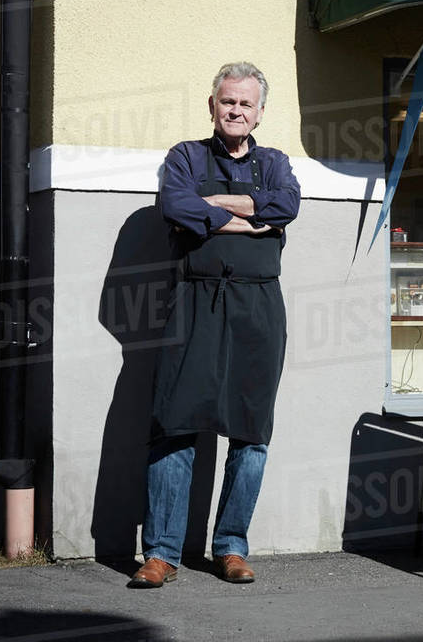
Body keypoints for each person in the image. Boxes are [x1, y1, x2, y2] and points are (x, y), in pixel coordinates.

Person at [130, 62, 300, 589]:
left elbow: (286, 205)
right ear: (212, 105)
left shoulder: (274, 162)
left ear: (260, 112)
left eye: (246, 104)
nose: (236, 111)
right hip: (194, 302)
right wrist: (250, 218)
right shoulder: (184, 156)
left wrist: (214, 206)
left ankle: (230, 546)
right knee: (174, 422)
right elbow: (175, 204)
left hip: (257, 309)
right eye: (228, 101)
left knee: (251, 431)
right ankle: (160, 553)